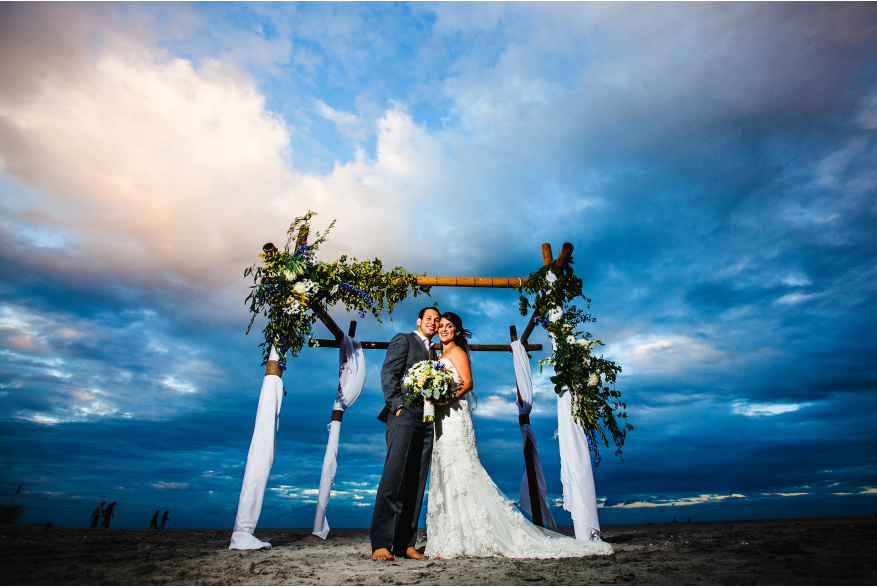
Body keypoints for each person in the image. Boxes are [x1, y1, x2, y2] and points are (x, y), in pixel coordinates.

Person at [424, 312, 614, 559]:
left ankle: (471, 533)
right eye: (441, 326)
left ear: (458, 331)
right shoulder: (441, 355)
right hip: (443, 418)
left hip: (455, 416)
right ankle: (453, 533)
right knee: (446, 471)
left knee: (461, 469)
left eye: (449, 326)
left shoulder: (457, 352)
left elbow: (467, 383)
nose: (443, 329)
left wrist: (444, 399)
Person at [370, 307, 440, 562]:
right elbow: (389, 374)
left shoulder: (436, 353)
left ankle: (405, 543)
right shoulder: (403, 339)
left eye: (436, 319)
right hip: (403, 416)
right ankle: (381, 542)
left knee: (416, 482)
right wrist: (397, 406)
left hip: (427, 421)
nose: (433, 322)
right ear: (419, 321)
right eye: (429, 318)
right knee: (394, 477)